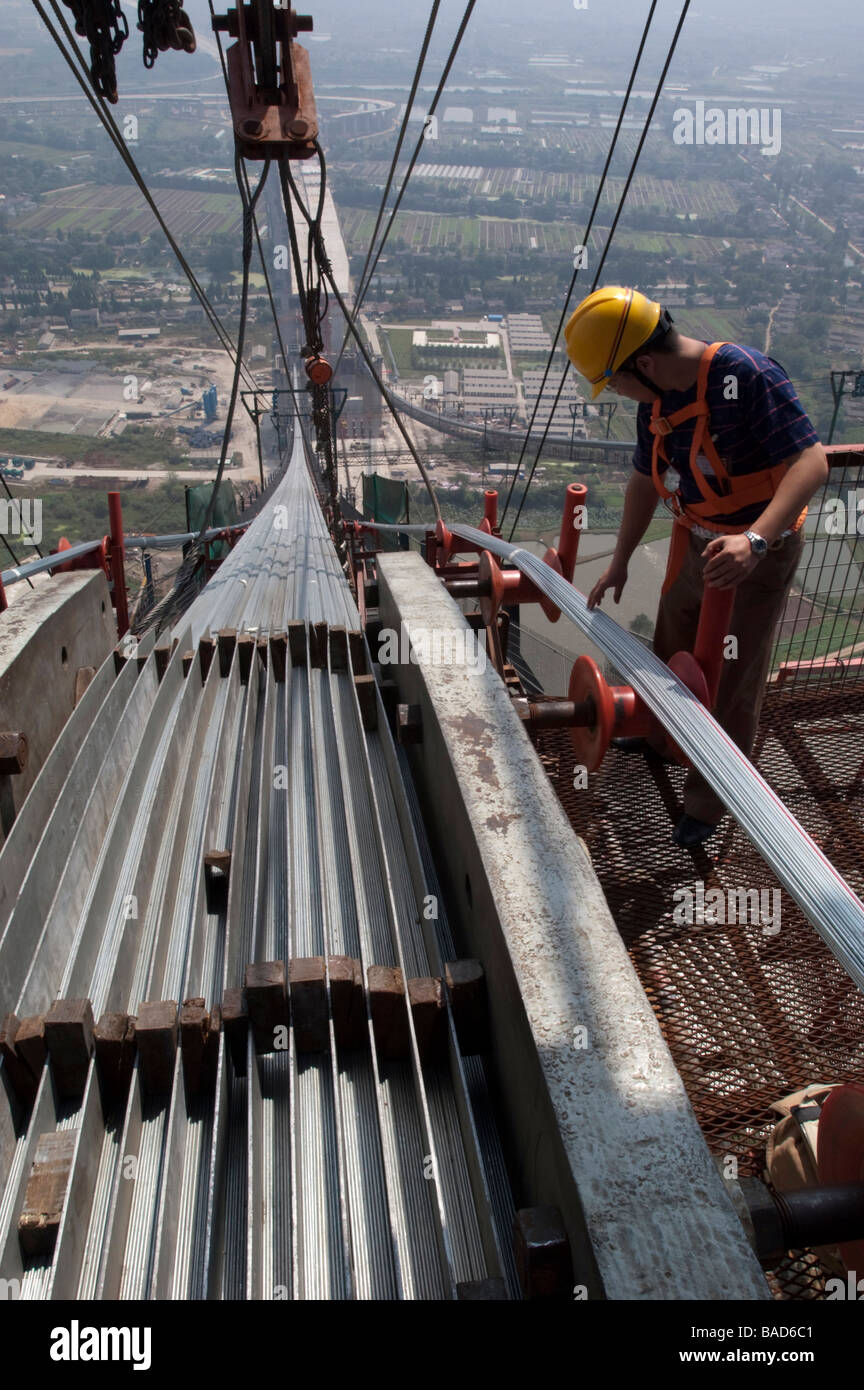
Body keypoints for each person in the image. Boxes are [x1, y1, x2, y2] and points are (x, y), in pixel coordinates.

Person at [564, 285, 829, 848]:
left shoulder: (747, 375)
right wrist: (619, 562)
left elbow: (810, 461)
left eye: (616, 380)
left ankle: (710, 802)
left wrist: (755, 541)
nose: (619, 393)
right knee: (670, 644)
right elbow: (642, 480)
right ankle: (663, 736)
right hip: (697, 539)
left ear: (645, 362)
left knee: (732, 676)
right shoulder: (656, 402)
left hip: (755, 553)